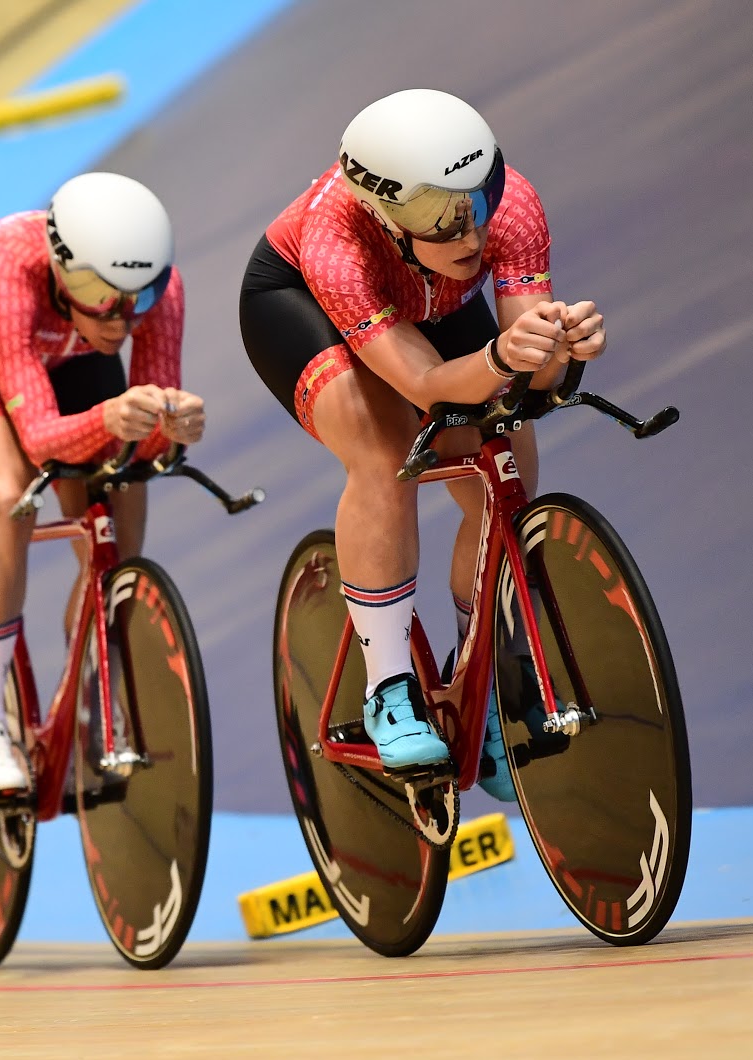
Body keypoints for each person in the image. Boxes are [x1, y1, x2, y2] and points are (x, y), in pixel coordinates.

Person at [238, 89, 608, 800]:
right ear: (382, 213)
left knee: (507, 452)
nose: (468, 233)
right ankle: (389, 690)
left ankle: (483, 673)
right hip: (306, 306)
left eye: (476, 197)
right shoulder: (336, 243)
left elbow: (531, 361)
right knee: (385, 457)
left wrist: (562, 346)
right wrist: (505, 360)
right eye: (440, 217)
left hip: (431, 303)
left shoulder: (513, 204)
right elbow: (430, 384)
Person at [0, 171, 205, 794]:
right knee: (6, 497)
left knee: (120, 501)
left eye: (137, 297)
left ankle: (95, 675)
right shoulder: (7, 262)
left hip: (74, 364)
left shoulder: (156, 291)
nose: (122, 318)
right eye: (100, 293)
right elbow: (40, 437)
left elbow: (144, 444)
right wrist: (110, 419)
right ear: (61, 265)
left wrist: (172, 427)